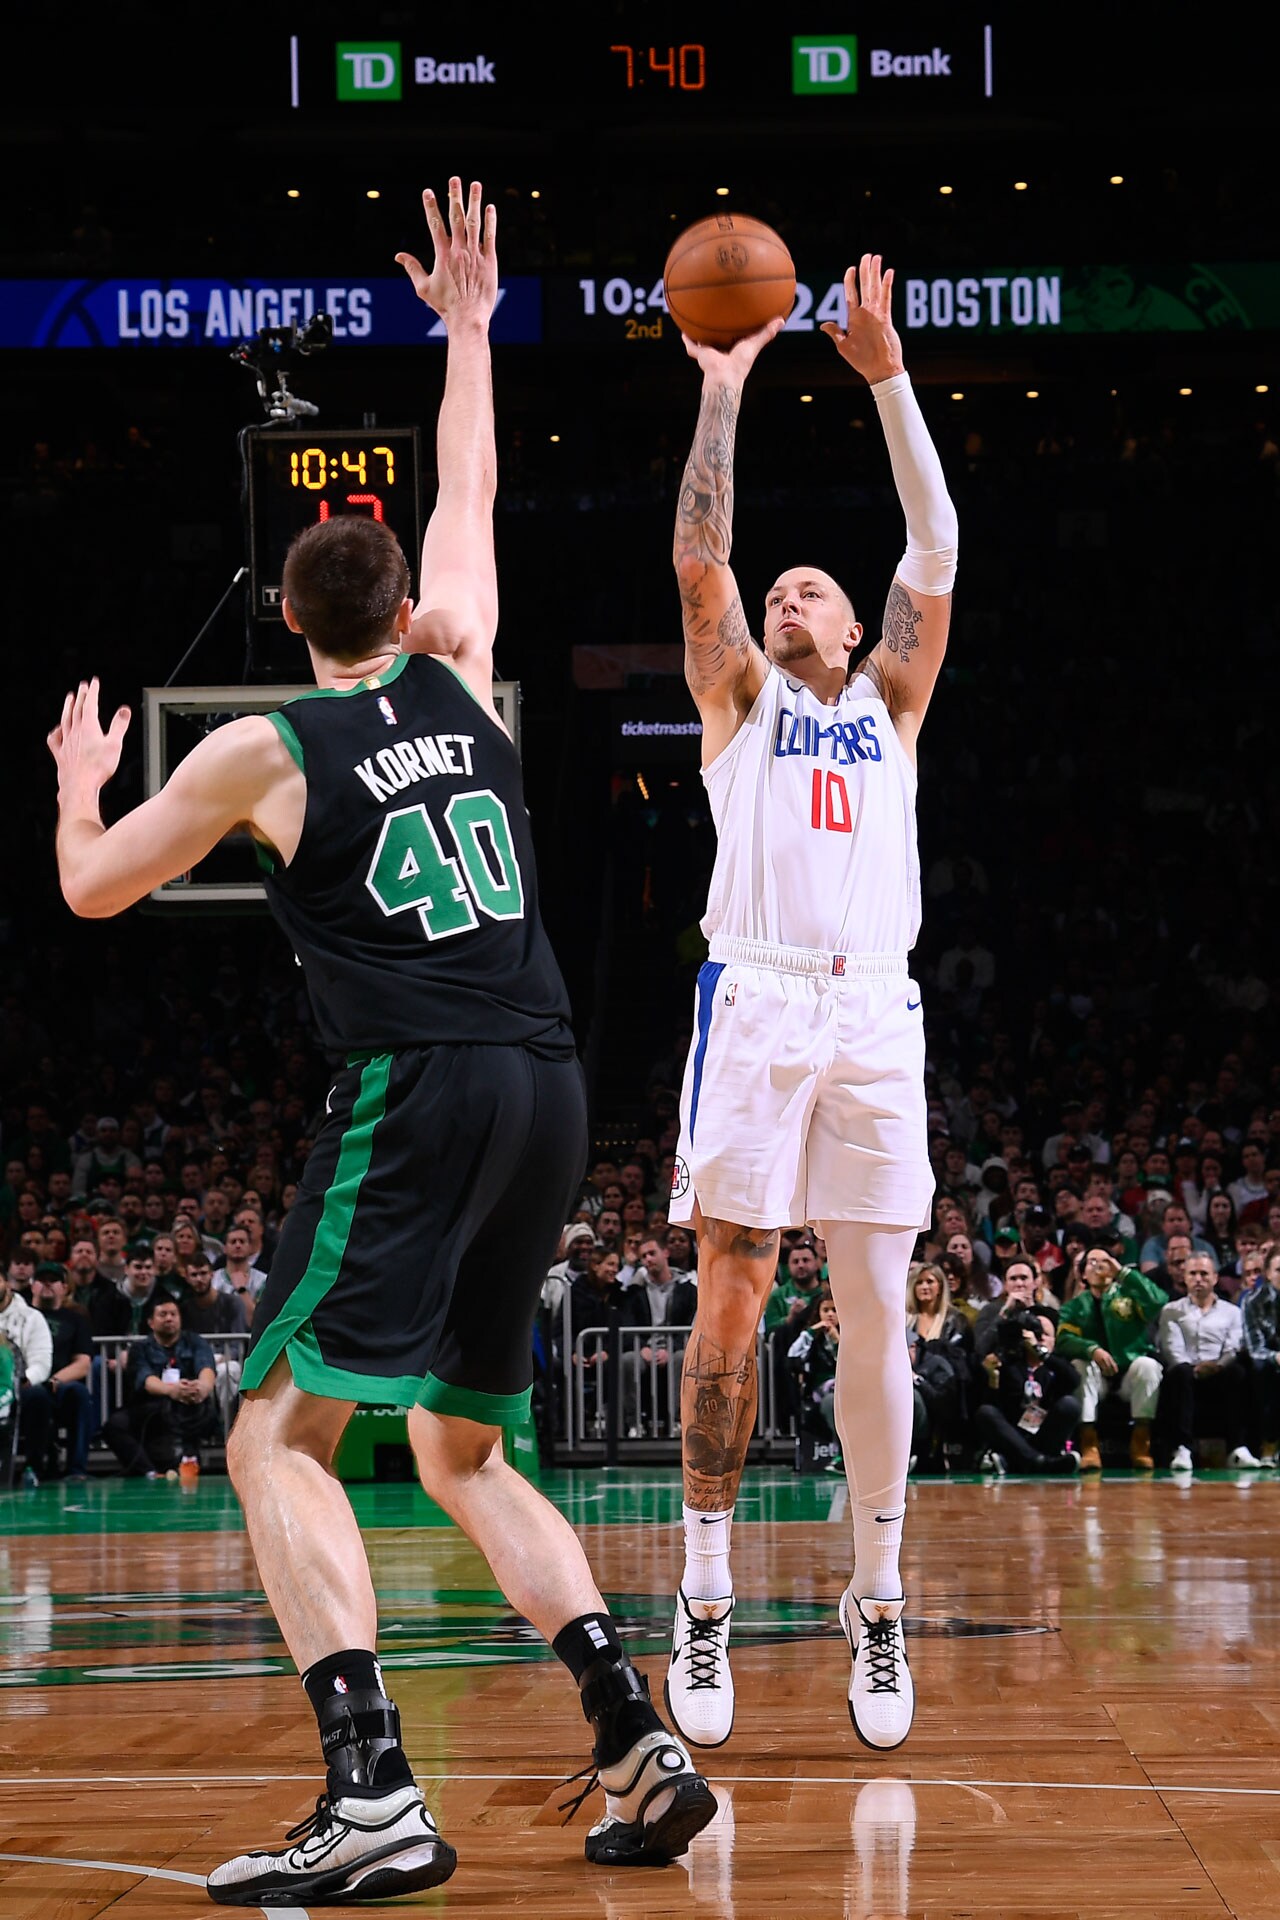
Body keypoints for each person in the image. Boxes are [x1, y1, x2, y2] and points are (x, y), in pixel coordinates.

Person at [47, 178, 713, 1900]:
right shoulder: (463, 666)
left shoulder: (262, 750)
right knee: (464, 1444)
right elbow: (470, 479)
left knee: (272, 1430)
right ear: (405, 606)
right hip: (550, 1082)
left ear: (291, 623)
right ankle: (635, 1733)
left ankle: (370, 1793)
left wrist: (73, 786)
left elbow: (93, 896)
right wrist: (470, 332)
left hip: (416, 1084)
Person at [663, 249, 957, 1751]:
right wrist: (724, 390)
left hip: (876, 1016)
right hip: (762, 1004)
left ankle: (880, 1599)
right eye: (782, 586)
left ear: (856, 632)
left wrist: (888, 379)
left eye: (815, 588)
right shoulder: (744, 699)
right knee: (732, 1293)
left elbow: (938, 541)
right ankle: (704, 1594)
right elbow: (702, 562)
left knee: (877, 1321)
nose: (788, 592)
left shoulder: (893, 706)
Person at [1055, 1248, 1166, 1471]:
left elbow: (1157, 1300)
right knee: (1080, 1365)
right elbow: (1063, 1340)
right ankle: (1089, 1444)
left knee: (1149, 1365)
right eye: (1092, 1262)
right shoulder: (1074, 1307)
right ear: (1083, 1274)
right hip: (1098, 1379)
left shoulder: (1128, 1297)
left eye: (1104, 1261)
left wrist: (1124, 1273)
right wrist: (1091, 1349)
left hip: (1128, 1374)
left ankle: (1141, 1443)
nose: (1098, 1265)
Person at [1156, 1251, 1260, 1471]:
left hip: (1219, 1370)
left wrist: (1219, 1365)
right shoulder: (1171, 1310)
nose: (1198, 1279)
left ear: (1214, 1278)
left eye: (1204, 1273)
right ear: (1184, 1277)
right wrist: (1193, 1368)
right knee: (1180, 1372)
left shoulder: (1232, 1312)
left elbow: (1233, 1345)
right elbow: (1172, 1347)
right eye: (1192, 1273)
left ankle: (1237, 1449)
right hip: (1185, 1373)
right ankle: (1183, 1448)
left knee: (1238, 1371)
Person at [100, 1292, 220, 1479]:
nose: (169, 1319)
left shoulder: (195, 1342)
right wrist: (172, 1390)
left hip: (191, 1405)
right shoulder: (140, 1348)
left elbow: (207, 1368)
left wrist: (202, 1388)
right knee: (115, 1426)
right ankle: (149, 1471)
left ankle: (188, 1461)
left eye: (173, 1314)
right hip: (151, 1406)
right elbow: (145, 1379)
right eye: (163, 1315)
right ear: (151, 1322)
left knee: (205, 1414)